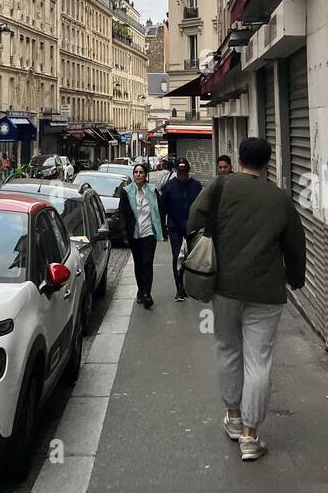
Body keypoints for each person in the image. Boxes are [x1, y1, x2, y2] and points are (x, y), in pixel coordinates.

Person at [186, 136, 306, 462]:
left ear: (238, 159)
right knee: (259, 361)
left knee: (227, 349)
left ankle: (234, 418)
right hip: (266, 292)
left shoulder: (220, 187)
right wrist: (295, 278)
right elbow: (295, 244)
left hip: (224, 287)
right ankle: (251, 437)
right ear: (267, 163)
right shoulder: (280, 199)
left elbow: (192, 221)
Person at [118, 162, 164, 309]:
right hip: (134, 234)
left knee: (147, 262)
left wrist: (163, 228)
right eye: (136, 172)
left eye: (141, 172)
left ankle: (147, 293)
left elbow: (160, 211)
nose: (138, 175)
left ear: (145, 175)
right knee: (138, 264)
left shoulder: (152, 191)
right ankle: (140, 290)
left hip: (149, 232)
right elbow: (123, 214)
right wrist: (124, 233)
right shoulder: (126, 191)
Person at [159, 158, 203, 301]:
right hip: (174, 227)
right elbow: (162, 209)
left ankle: (192, 286)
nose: (182, 174)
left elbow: (202, 207)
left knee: (194, 258)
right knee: (177, 257)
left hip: (193, 228)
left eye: (184, 171)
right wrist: (163, 230)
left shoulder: (196, 186)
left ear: (188, 171)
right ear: (176, 171)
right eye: (180, 171)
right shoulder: (169, 186)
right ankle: (179, 289)